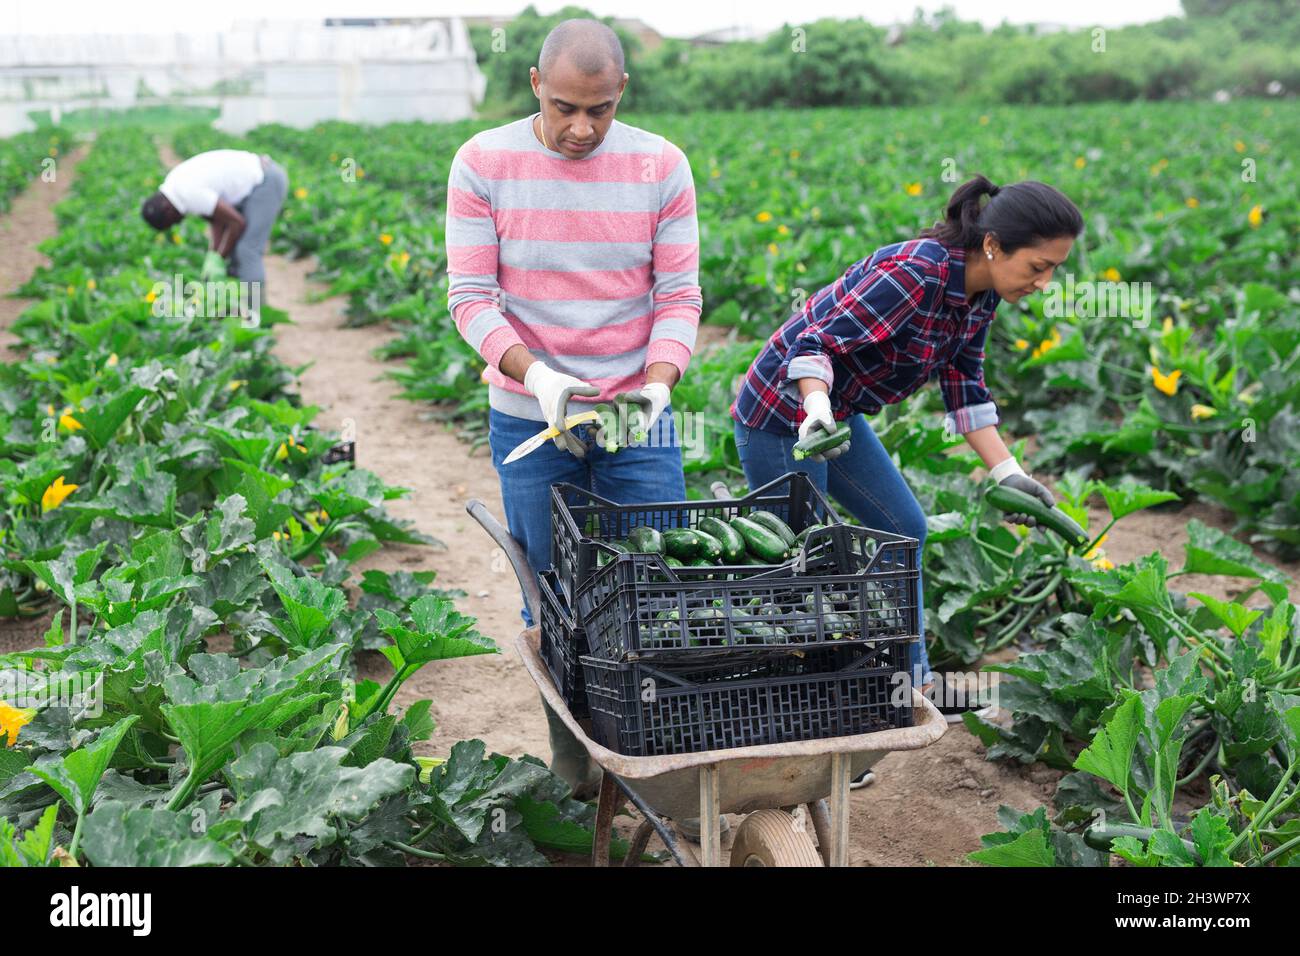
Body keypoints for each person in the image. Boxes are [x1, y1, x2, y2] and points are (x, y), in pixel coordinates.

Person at [730, 175, 1083, 783]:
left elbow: (964, 383)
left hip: (836, 415)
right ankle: (827, 723)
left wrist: (1009, 470)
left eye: (1054, 270)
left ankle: (906, 690)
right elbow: (814, 342)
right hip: (784, 414)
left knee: (904, 528)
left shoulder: (981, 295)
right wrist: (815, 408)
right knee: (809, 565)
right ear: (995, 245)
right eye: (1039, 265)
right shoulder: (916, 274)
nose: (1043, 282)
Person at [445, 20, 701, 800]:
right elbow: (470, 299)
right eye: (564, 108)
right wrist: (541, 378)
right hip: (531, 415)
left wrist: (658, 384)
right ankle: (574, 759)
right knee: (551, 594)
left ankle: (664, 758)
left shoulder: (662, 164)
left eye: (598, 110)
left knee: (662, 579)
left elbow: (678, 296)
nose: (581, 128)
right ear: (534, 86)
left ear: (621, 91)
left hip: (635, 415)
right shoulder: (483, 162)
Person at [141, 149, 288, 292]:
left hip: (265, 181)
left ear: (168, 209)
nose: (178, 223)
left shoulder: (188, 194)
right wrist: (214, 254)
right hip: (253, 182)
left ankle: (256, 310)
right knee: (233, 250)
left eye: (172, 222)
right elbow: (218, 220)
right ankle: (239, 307)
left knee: (247, 250)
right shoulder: (174, 187)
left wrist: (218, 258)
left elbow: (236, 223)